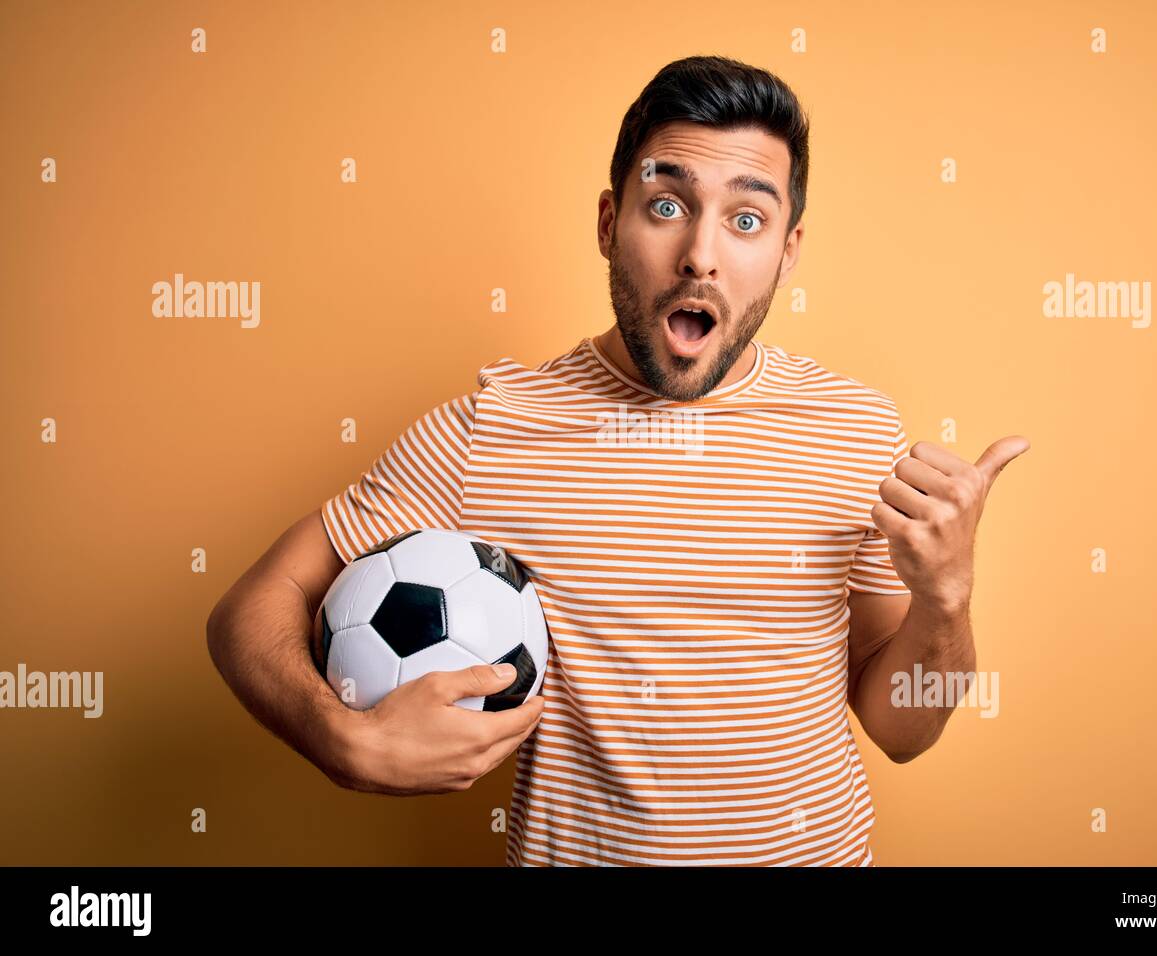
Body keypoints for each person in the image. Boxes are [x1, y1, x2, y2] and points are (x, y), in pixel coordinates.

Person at [207, 54, 1028, 866]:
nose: (701, 255)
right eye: (667, 204)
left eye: (747, 220)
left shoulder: (853, 428)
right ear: (609, 223)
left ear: (787, 251)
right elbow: (250, 609)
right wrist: (340, 738)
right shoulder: (493, 427)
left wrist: (946, 598)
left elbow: (901, 731)